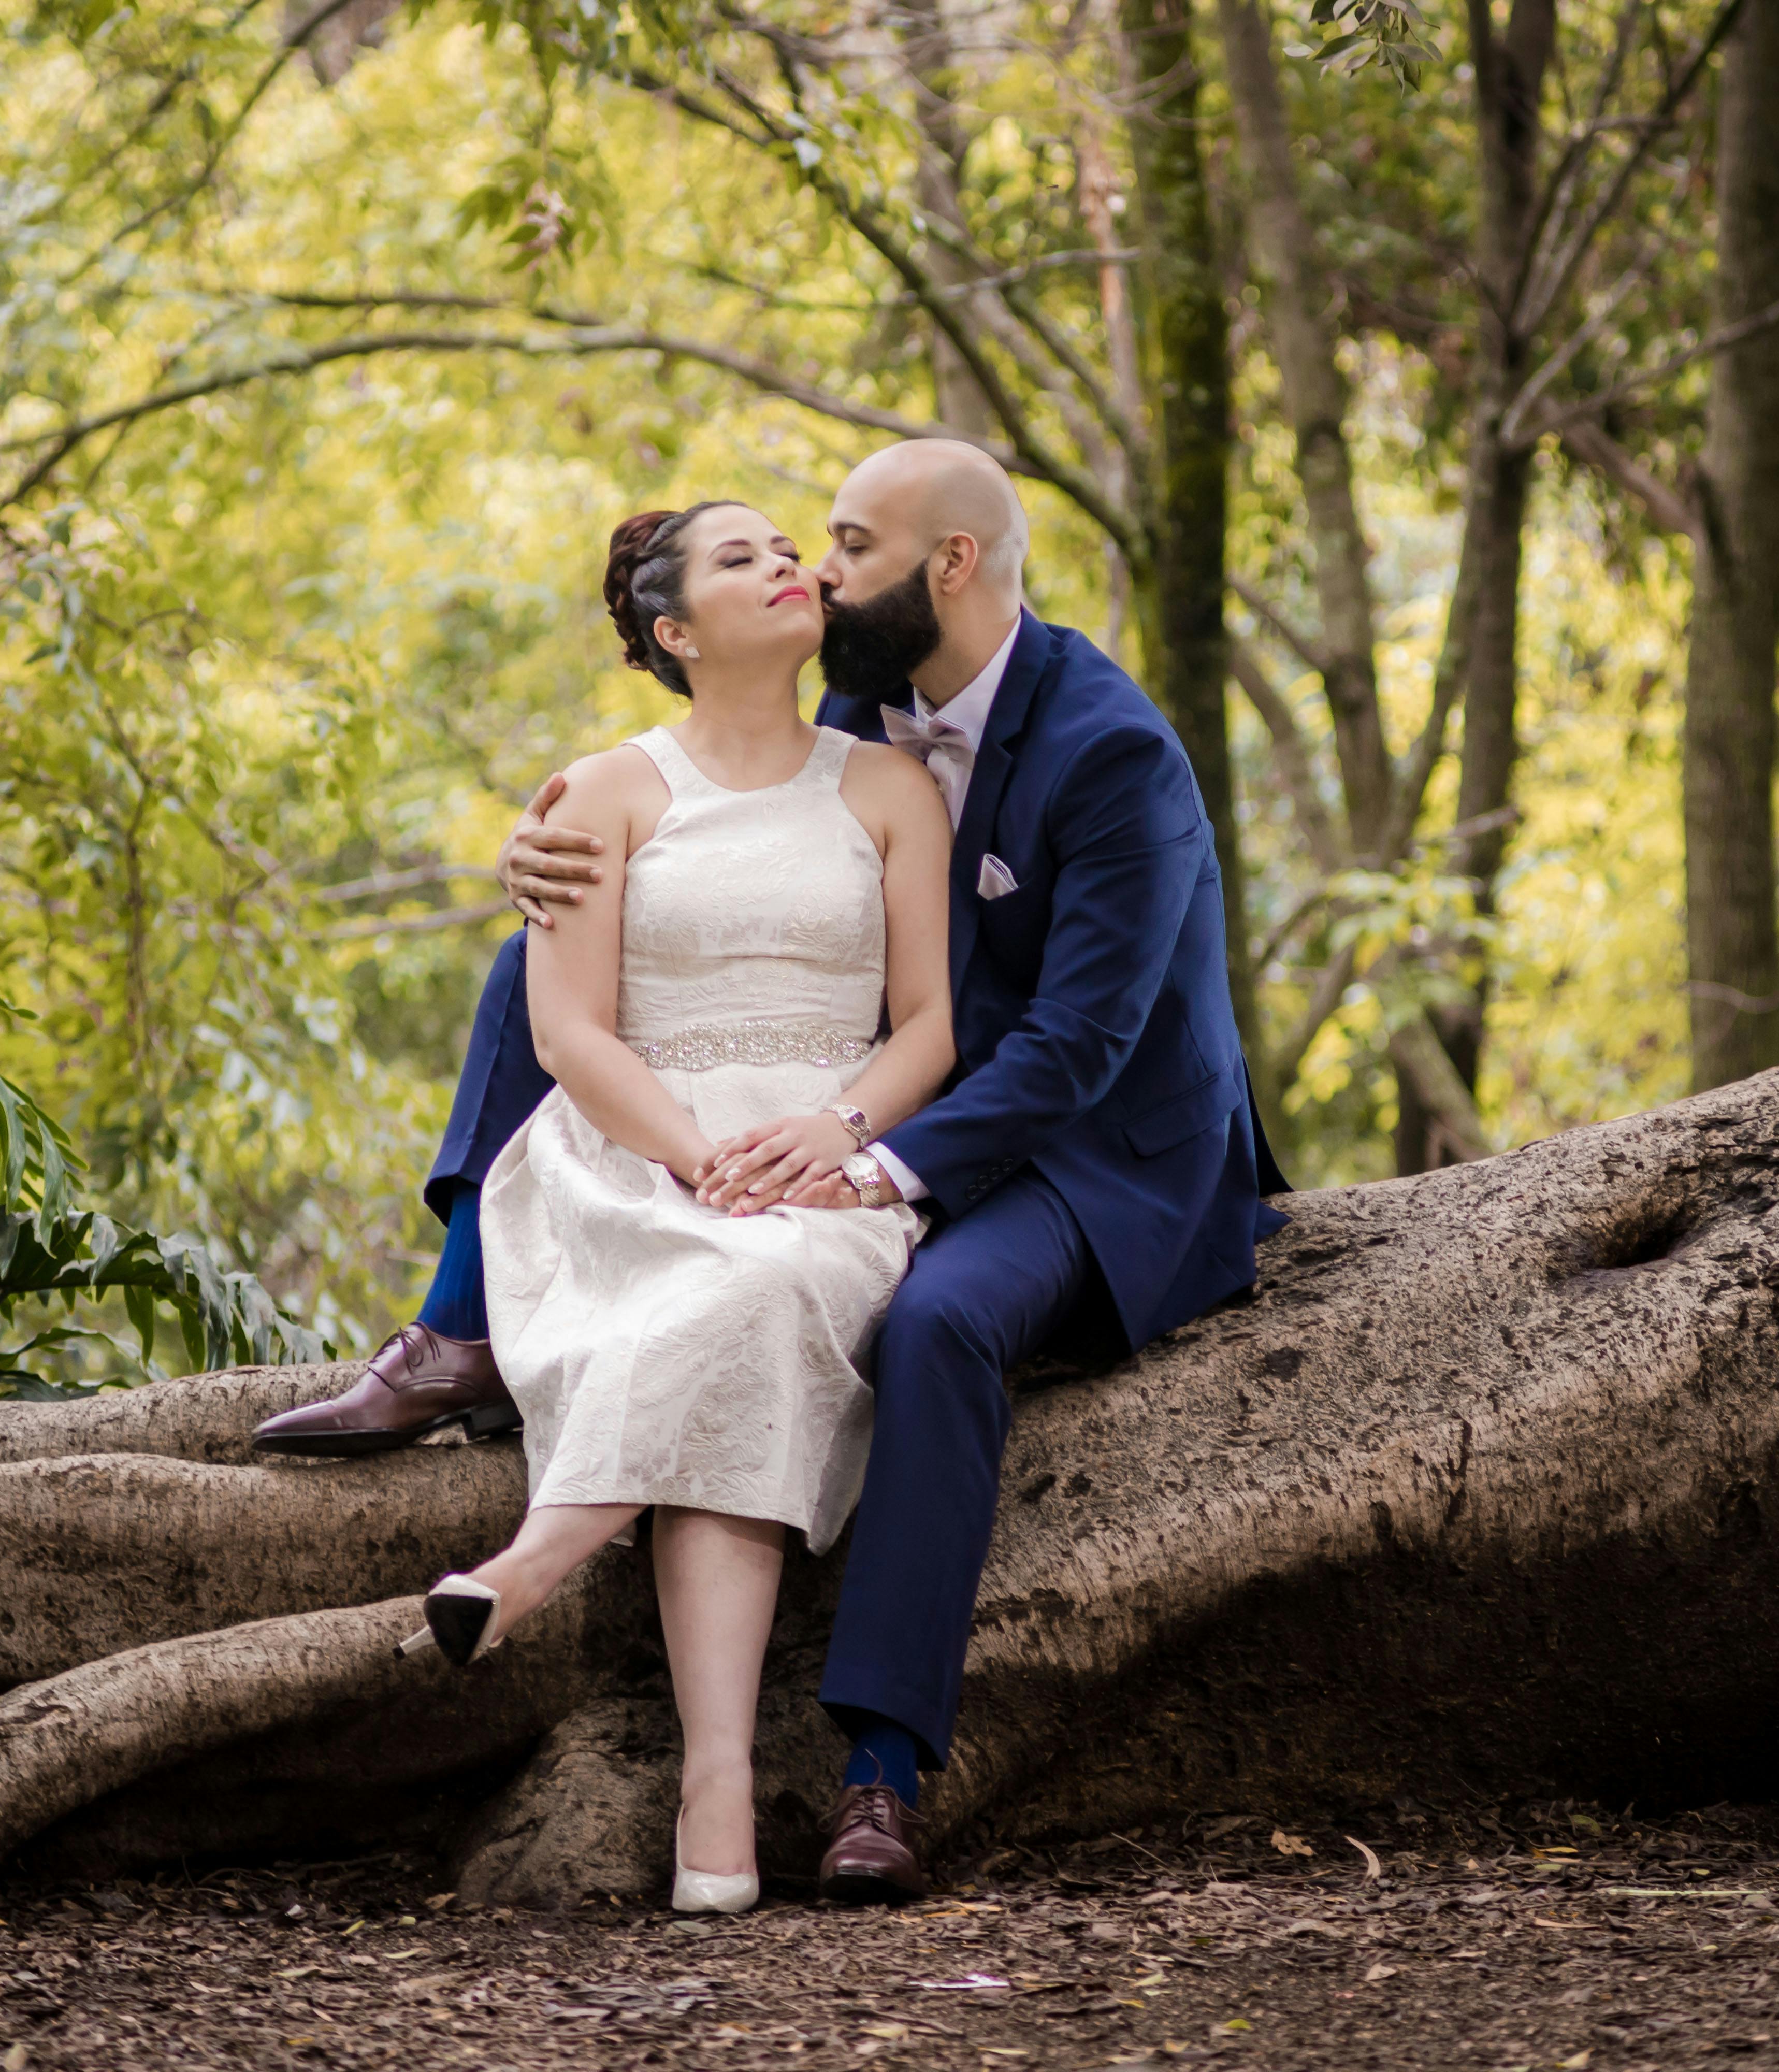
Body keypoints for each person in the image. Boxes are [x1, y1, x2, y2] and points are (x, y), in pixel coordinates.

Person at [259, 439, 1286, 1904]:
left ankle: (880, 1774)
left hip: (1091, 1150)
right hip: (895, 1108)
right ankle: (462, 1323)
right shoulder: (871, 691)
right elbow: (714, 834)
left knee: (937, 1326)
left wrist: (870, 1159)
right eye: (800, 549)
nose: (816, 568)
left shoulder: (1110, 748)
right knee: (523, 965)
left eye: (847, 546)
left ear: (947, 568)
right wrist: (541, 862)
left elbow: (1080, 1046)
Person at [396, 501, 957, 1918]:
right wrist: (695, 1159)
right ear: (675, 632)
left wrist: (830, 1138)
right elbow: (573, 1032)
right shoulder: (601, 793)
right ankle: (713, 1786)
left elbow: (931, 1026)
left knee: (763, 1290)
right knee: (735, 1300)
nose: (783, 567)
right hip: (630, 1160)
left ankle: (535, 1572)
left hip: (823, 1158)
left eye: (788, 550)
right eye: (739, 559)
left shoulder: (890, 790)